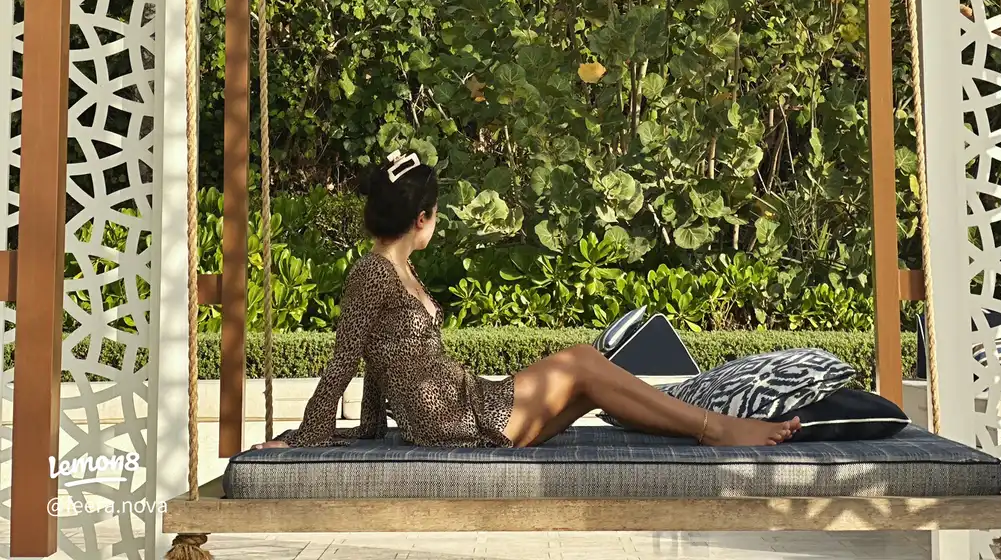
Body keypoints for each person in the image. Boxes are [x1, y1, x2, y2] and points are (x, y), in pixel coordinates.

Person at [257, 151, 800, 451]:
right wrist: (309, 438)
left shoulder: (397, 269)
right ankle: (716, 428)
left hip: (461, 405)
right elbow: (343, 360)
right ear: (421, 218)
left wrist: (369, 431)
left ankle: (701, 427)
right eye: (437, 213)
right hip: (458, 418)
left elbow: (380, 363)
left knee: (595, 387)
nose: (438, 221)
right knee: (583, 361)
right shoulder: (374, 273)